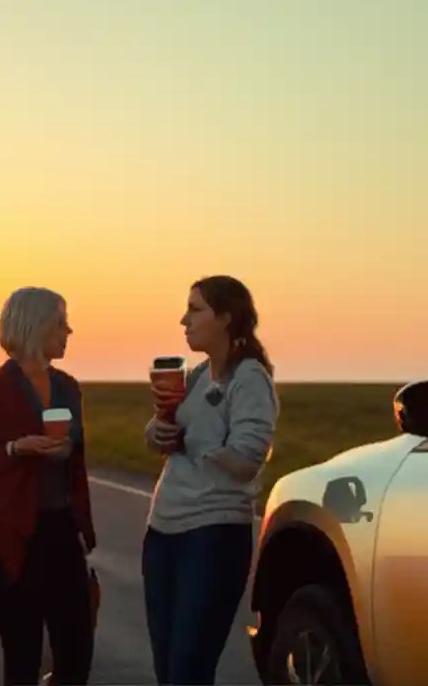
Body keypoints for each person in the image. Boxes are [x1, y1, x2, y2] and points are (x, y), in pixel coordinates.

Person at [0, 286, 97, 686]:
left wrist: (64, 451)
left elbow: (76, 456)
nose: (69, 331)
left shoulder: (69, 386)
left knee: (76, 654)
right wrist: (16, 449)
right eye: (61, 322)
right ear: (35, 326)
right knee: (23, 658)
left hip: (61, 532)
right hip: (10, 539)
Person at [142, 275, 279, 685]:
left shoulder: (249, 378)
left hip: (212, 537)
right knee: (168, 668)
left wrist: (195, 440)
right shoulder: (198, 375)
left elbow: (246, 462)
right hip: (164, 530)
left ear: (226, 317)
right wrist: (157, 430)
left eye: (195, 309)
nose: (184, 319)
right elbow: (177, 433)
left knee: (189, 670)